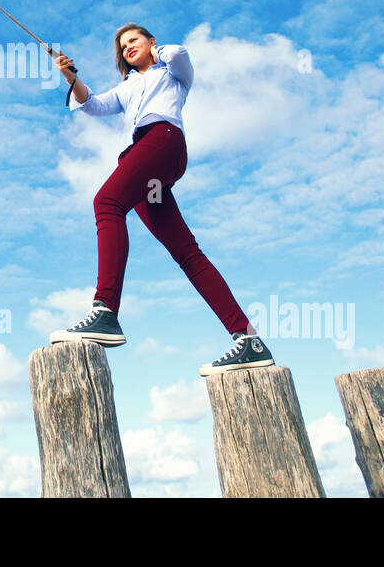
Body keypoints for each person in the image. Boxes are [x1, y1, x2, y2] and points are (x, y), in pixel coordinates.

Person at [49, 23, 274, 375]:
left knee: (106, 203)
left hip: (162, 142)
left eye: (133, 41)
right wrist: (70, 78)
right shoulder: (127, 86)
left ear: (151, 42)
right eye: (122, 47)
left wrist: (157, 52)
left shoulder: (171, 72)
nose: (126, 48)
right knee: (187, 253)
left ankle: (105, 310)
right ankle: (248, 340)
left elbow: (181, 54)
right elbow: (92, 104)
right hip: (143, 166)